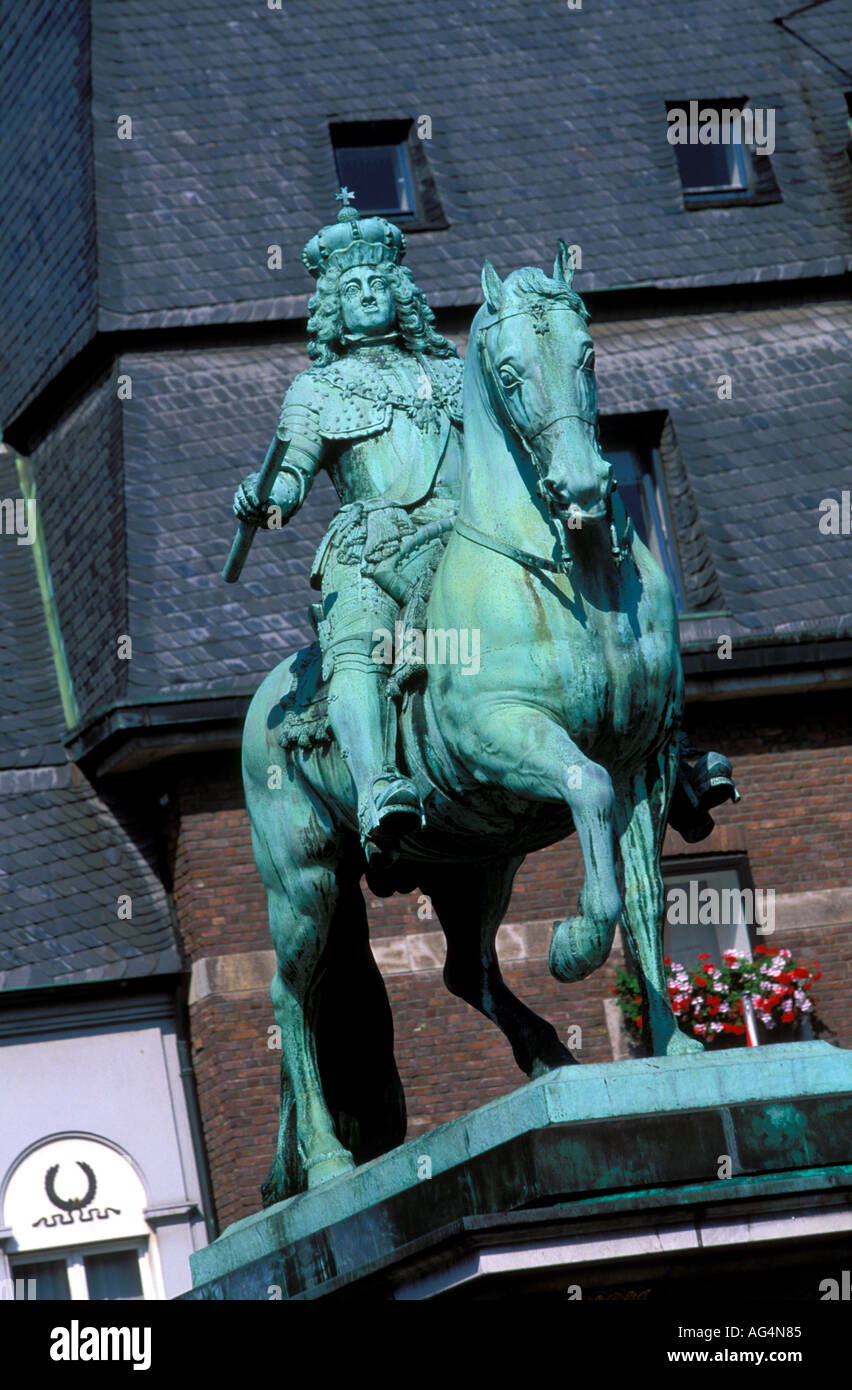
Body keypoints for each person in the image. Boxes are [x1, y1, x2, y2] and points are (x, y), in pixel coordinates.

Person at [234, 191, 463, 854]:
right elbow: (289, 483)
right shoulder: (317, 390)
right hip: (377, 543)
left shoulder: (453, 373)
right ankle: (376, 787)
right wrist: (260, 494)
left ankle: (665, 750)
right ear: (333, 304)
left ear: (401, 292)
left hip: (470, 531)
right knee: (360, 646)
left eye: (379, 283)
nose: (368, 294)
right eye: (352, 286)